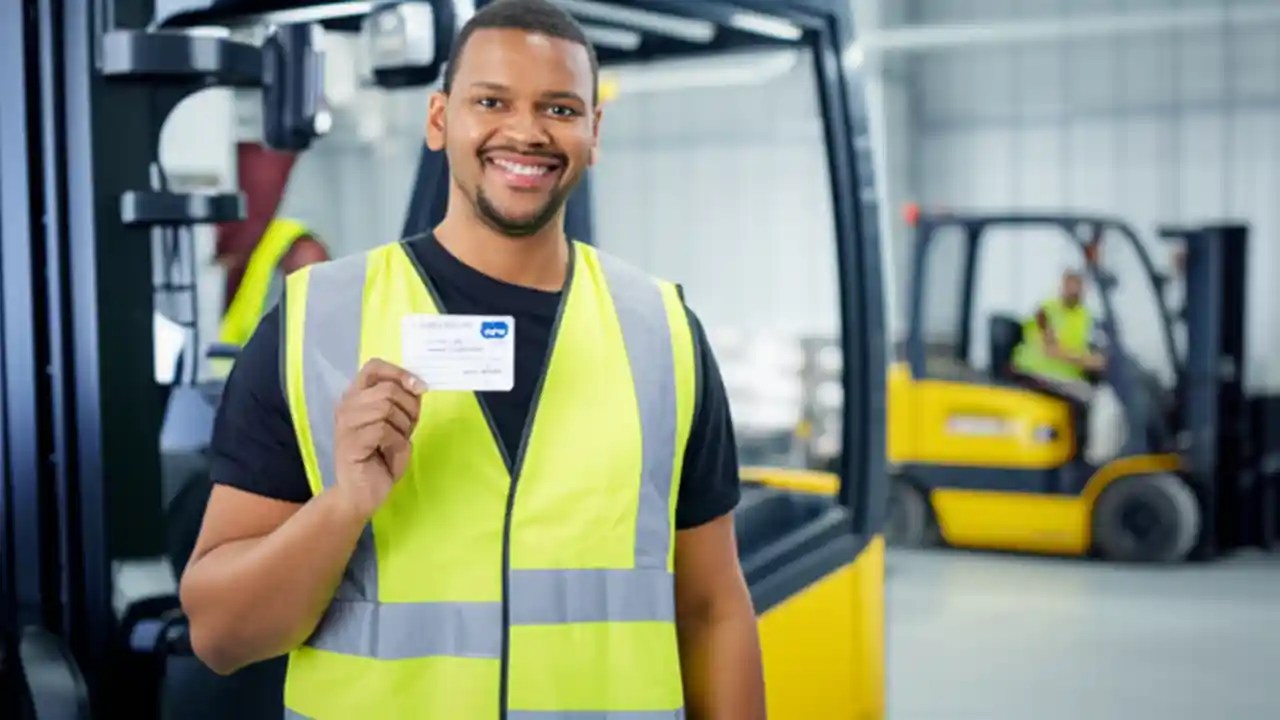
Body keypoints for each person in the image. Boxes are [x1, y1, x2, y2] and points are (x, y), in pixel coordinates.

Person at [179, 1, 766, 719]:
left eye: (559, 108)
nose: (526, 131)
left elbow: (712, 611)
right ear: (438, 119)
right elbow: (222, 638)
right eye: (491, 100)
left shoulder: (662, 333)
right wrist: (343, 505)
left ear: (593, 131)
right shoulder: (315, 326)